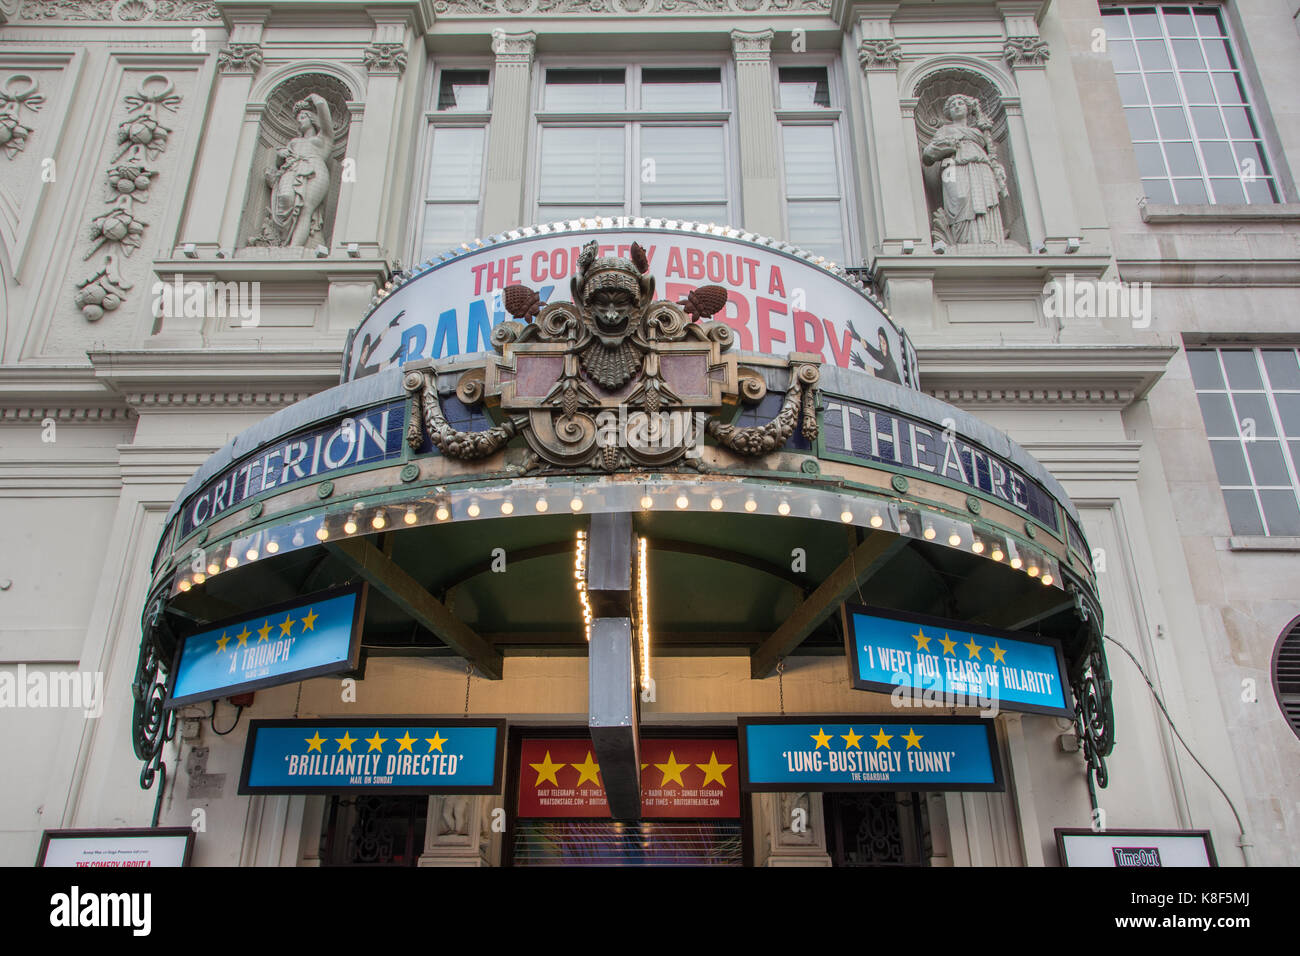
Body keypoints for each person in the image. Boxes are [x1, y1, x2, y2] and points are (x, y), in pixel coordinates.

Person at [921, 93, 1009, 246]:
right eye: (953, 104)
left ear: (968, 109)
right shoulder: (945, 130)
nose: (956, 106)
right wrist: (947, 145)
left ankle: (988, 237)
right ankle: (963, 240)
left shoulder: (978, 132)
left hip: (980, 168)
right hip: (953, 168)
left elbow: (991, 154)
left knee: (982, 200)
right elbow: (928, 154)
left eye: (960, 103)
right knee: (960, 199)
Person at [262, 93, 334, 247]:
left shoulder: (324, 138)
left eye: (302, 117)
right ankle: (283, 241)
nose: (299, 121)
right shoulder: (294, 141)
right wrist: (281, 154)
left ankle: (295, 247)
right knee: (285, 197)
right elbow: (279, 162)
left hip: (314, 169)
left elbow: (322, 107)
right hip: (292, 168)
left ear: (312, 118)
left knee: (306, 209)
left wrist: (314, 97)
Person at [847, 320, 901, 384]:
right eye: (880, 341)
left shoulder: (890, 363)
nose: (882, 344)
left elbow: (879, 374)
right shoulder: (884, 356)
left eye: (884, 342)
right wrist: (858, 337)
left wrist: (862, 364)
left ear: (887, 343)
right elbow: (871, 350)